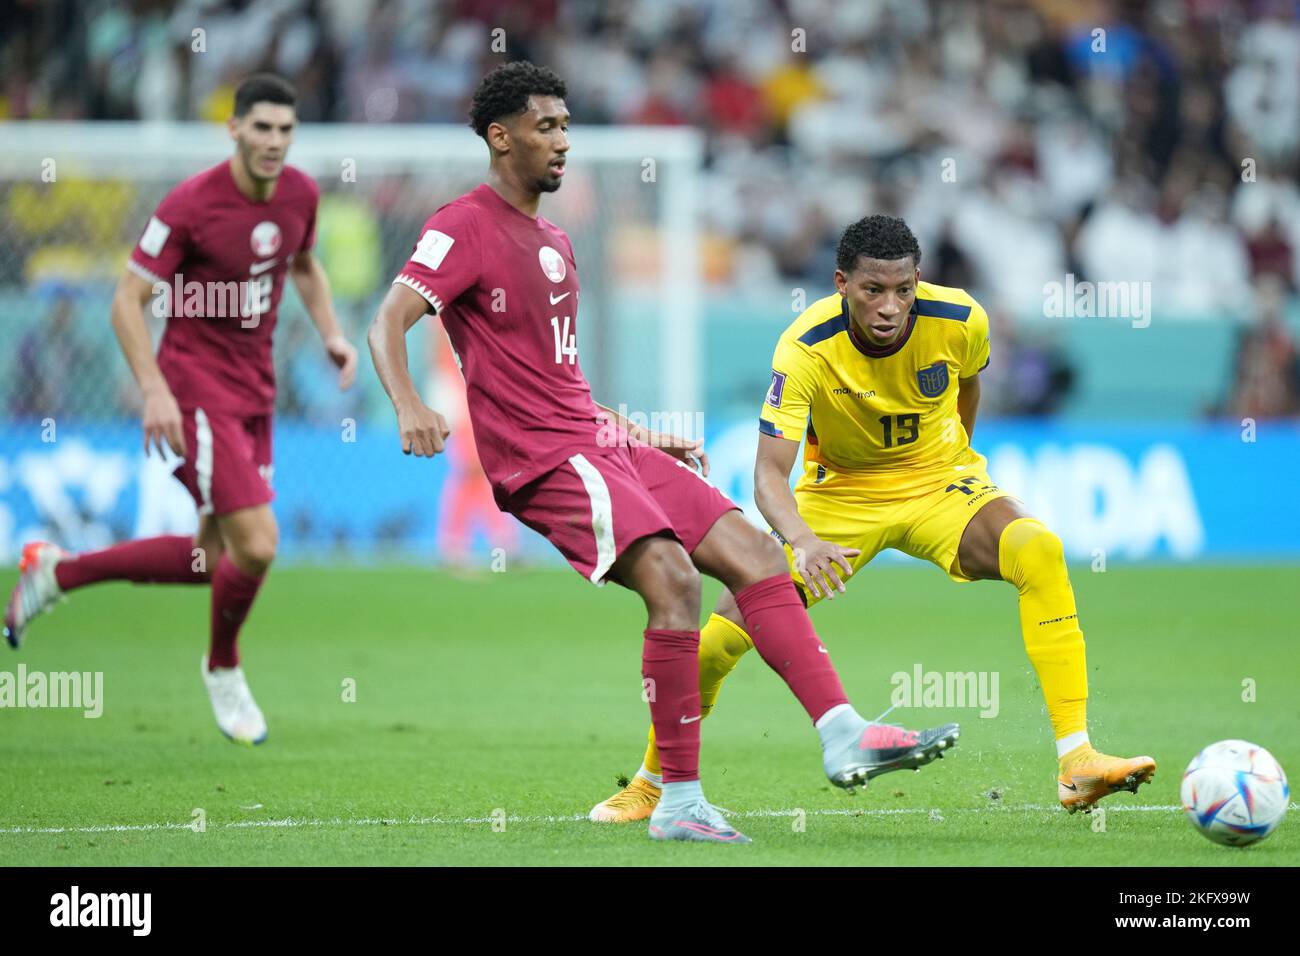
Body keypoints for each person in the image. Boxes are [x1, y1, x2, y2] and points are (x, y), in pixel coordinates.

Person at [367, 62, 959, 845]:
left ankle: (843, 730)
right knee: (674, 584)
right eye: (546, 127)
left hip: (593, 440)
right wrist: (410, 402)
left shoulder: (553, 241)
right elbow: (390, 318)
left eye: (568, 126)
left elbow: (560, 382)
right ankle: (678, 801)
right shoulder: (462, 224)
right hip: (541, 461)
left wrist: (638, 435)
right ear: (500, 136)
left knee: (755, 552)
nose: (563, 142)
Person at [592, 215, 1155, 823]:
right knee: (718, 642)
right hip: (839, 502)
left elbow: (968, 385)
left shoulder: (963, 319)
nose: (891, 306)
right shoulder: (805, 348)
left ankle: (1076, 758)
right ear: (841, 283)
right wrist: (802, 540)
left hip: (939, 484)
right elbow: (767, 475)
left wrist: (955, 462)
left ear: (919, 281)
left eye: (903, 290)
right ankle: (653, 782)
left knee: (1038, 548)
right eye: (873, 291)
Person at [4, 73, 358, 746]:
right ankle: (223, 666)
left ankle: (56, 571)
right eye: (261, 127)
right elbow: (125, 301)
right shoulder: (191, 205)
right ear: (234, 128)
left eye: (285, 130)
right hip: (196, 386)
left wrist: (333, 334)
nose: (274, 142)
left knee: (210, 561)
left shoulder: (301, 195)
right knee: (257, 545)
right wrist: (156, 390)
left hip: (256, 392)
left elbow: (305, 264)